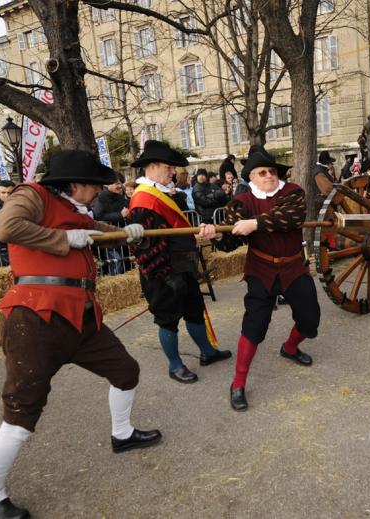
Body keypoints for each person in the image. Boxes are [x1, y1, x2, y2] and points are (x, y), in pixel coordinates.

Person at [0, 150, 160, 519]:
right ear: (75, 184)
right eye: (94, 185)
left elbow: (94, 233)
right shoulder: (32, 195)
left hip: (82, 317)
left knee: (125, 371)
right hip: (36, 317)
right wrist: (63, 239)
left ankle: (122, 435)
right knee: (21, 410)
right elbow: (5, 228)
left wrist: (128, 234)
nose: (99, 191)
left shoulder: (76, 211)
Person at [212, 146, 320, 411]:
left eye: (272, 171)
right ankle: (238, 383)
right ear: (251, 177)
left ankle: (290, 348)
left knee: (310, 319)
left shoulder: (293, 192)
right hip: (261, 270)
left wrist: (255, 223)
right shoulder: (241, 202)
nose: (269, 175)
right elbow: (230, 241)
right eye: (262, 172)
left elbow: (290, 217)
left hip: (294, 267)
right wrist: (216, 234)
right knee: (255, 326)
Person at [127, 140, 231, 383]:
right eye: (169, 167)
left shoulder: (161, 193)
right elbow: (145, 249)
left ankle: (207, 352)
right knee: (168, 320)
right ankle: (175, 366)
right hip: (162, 273)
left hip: (182, 267)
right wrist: (167, 276)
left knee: (195, 311)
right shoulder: (142, 200)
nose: (173, 172)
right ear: (152, 166)